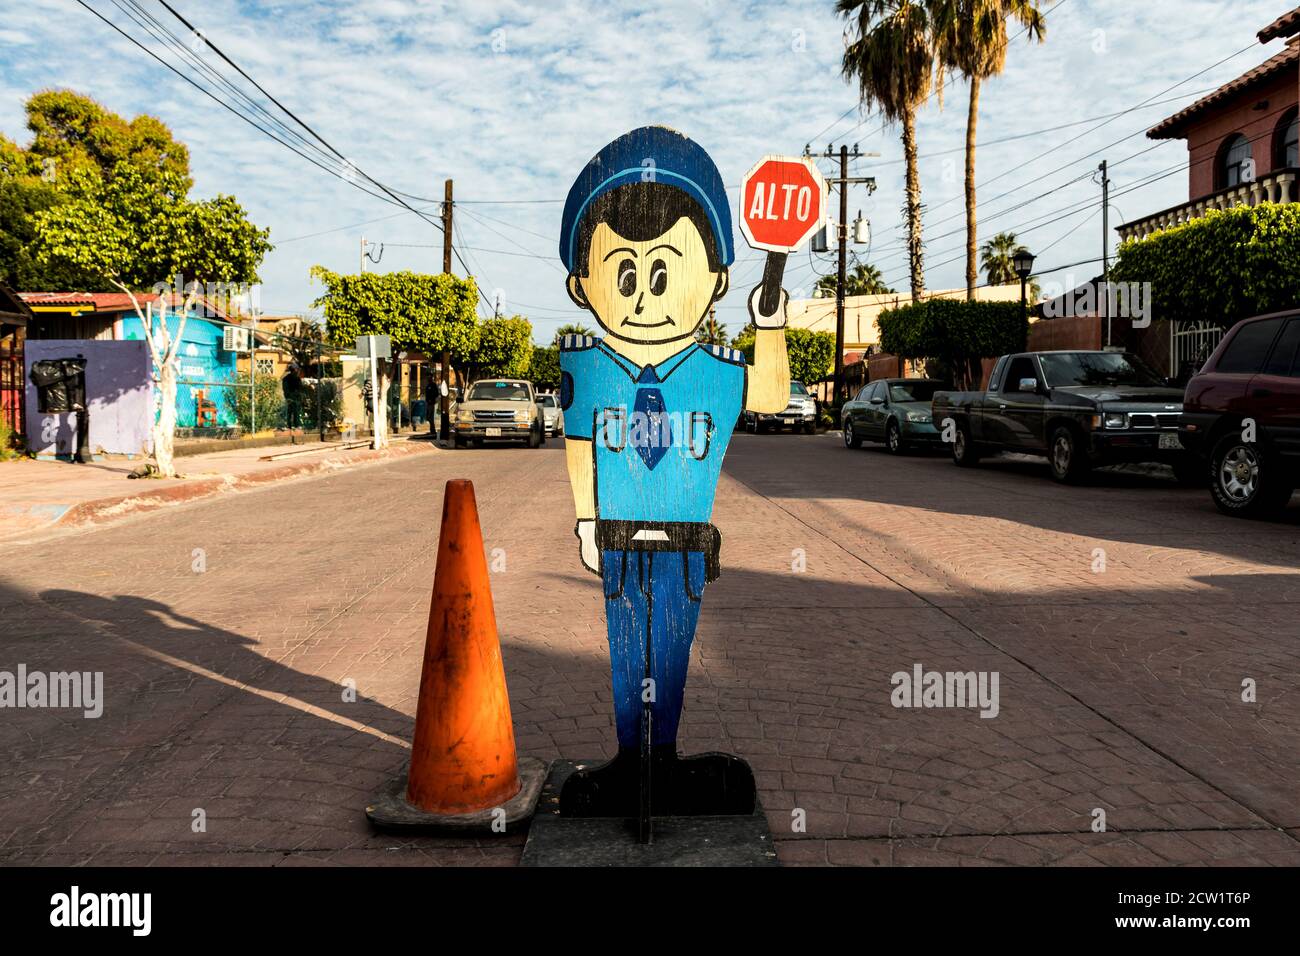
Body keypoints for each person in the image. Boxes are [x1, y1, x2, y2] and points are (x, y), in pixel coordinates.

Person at [557, 126, 791, 816]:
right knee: (627, 648)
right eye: (624, 274)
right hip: (620, 533)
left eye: (664, 273)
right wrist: (584, 519)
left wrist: (769, 327)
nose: (643, 295)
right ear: (583, 284)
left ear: (714, 281)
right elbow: (577, 443)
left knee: (674, 652)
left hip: (687, 541)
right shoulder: (588, 368)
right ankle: (633, 761)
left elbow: (773, 395)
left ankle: (663, 761)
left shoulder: (716, 376)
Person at [282, 361, 303, 431]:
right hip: (292, 397)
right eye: (296, 369)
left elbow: (300, 388)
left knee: (293, 411)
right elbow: (286, 389)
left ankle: (293, 425)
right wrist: (289, 397)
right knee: (292, 411)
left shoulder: (296, 378)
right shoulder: (289, 379)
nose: (297, 371)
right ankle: (293, 425)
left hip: (294, 397)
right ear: (294, 370)